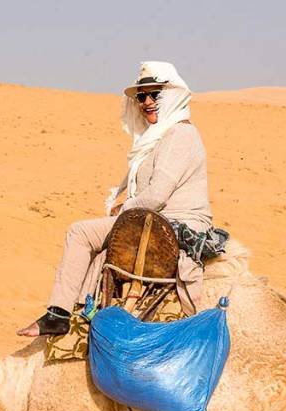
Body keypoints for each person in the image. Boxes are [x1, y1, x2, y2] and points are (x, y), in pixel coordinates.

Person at [17, 61, 213, 336]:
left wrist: (124, 208)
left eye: (154, 94)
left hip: (173, 224)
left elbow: (157, 195)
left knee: (80, 232)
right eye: (140, 96)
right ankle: (83, 309)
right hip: (153, 219)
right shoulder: (161, 136)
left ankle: (58, 314)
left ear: (172, 94)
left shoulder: (180, 135)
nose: (146, 102)